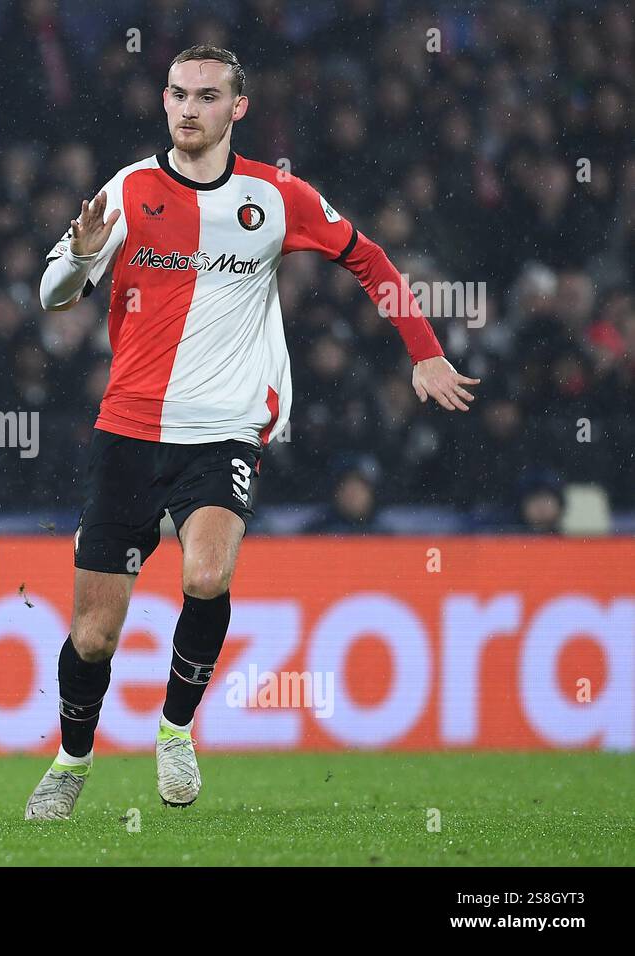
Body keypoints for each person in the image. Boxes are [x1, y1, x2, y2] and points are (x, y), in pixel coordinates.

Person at [28, 46, 481, 819]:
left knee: (206, 577)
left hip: (228, 430)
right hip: (130, 429)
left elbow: (369, 260)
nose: (187, 108)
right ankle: (72, 758)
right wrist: (75, 254)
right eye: (176, 93)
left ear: (238, 108)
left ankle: (174, 730)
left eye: (206, 96)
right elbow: (52, 297)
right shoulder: (130, 189)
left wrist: (426, 353)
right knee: (95, 634)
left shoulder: (276, 196)